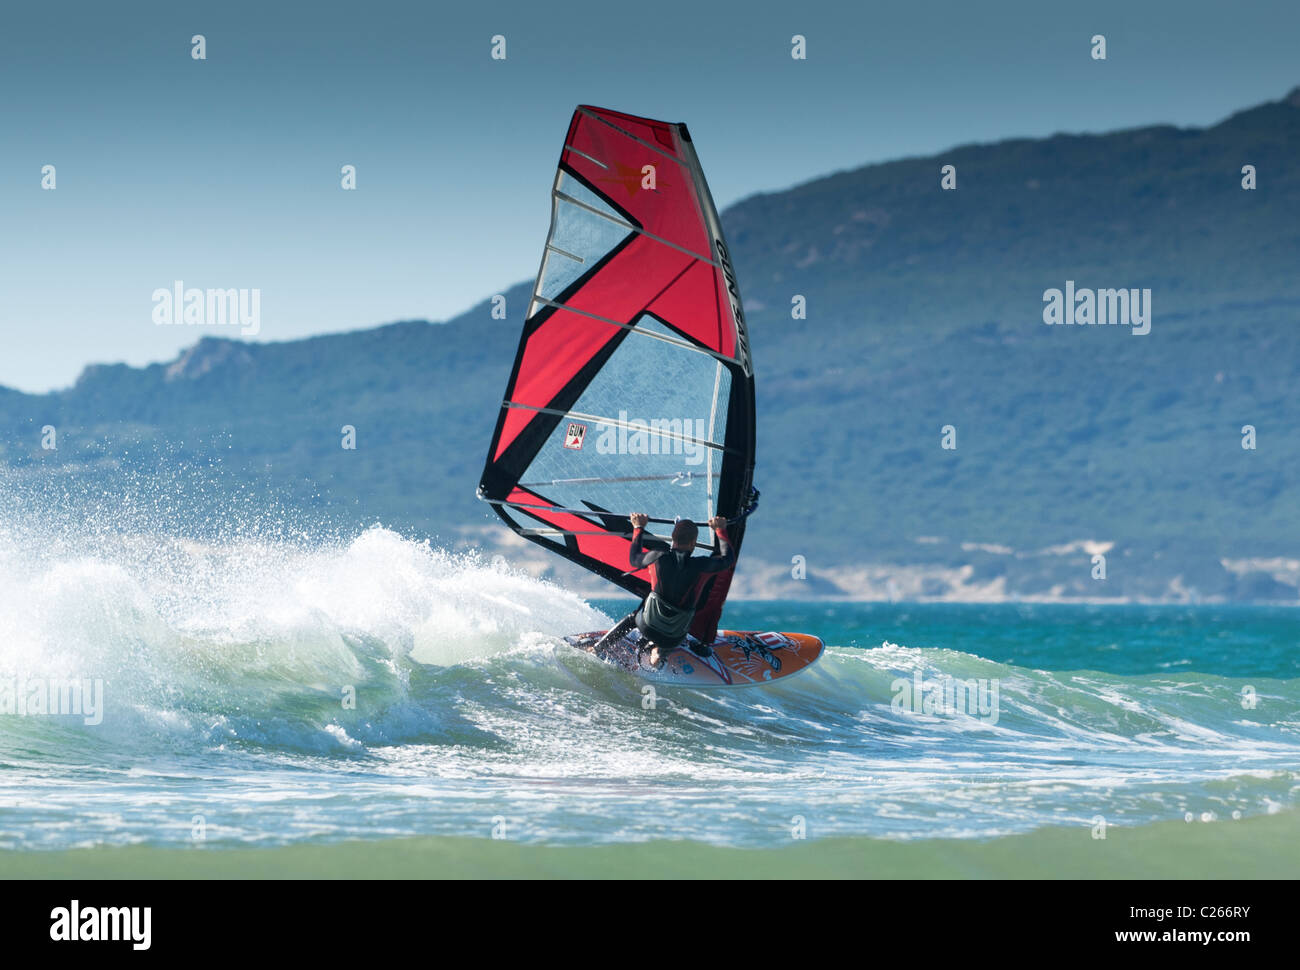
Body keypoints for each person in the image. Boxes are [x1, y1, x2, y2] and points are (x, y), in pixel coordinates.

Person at [594, 512, 735, 667]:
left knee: (633, 617)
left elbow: (634, 559)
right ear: (694, 542)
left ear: (672, 539)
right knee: (677, 624)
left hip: (647, 626)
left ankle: (597, 649)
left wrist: (638, 527)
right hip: (674, 638)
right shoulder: (702, 565)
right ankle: (658, 654)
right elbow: (727, 560)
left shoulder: (657, 557)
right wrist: (720, 530)